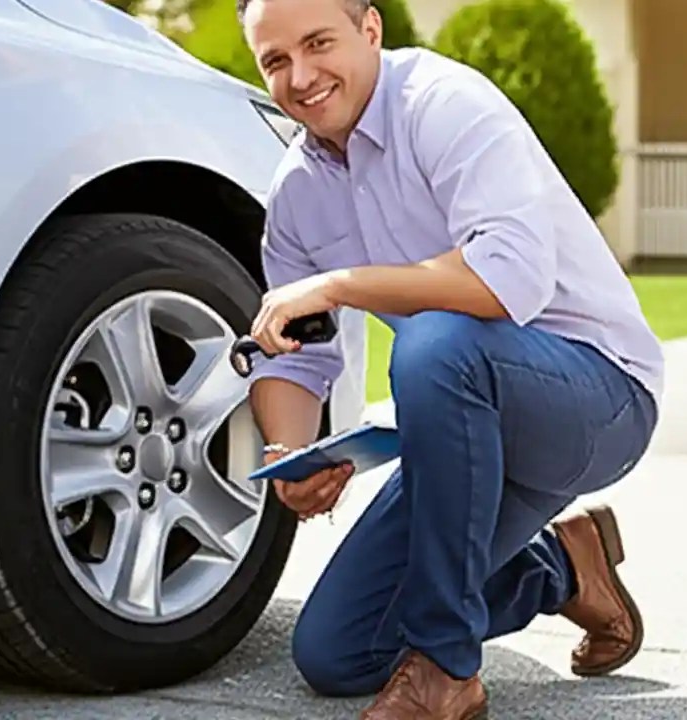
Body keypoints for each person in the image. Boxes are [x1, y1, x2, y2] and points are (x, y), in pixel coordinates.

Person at [237, 0, 664, 717]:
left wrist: (342, 284)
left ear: (370, 29)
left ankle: (445, 669)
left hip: (598, 395)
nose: (301, 76)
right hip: (467, 432)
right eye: (276, 61)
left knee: (436, 343)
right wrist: (290, 449)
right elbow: (295, 357)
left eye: (319, 44)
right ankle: (561, 568)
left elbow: (506, 281)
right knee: (336, 651)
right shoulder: (297, 196)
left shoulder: (445, 105)